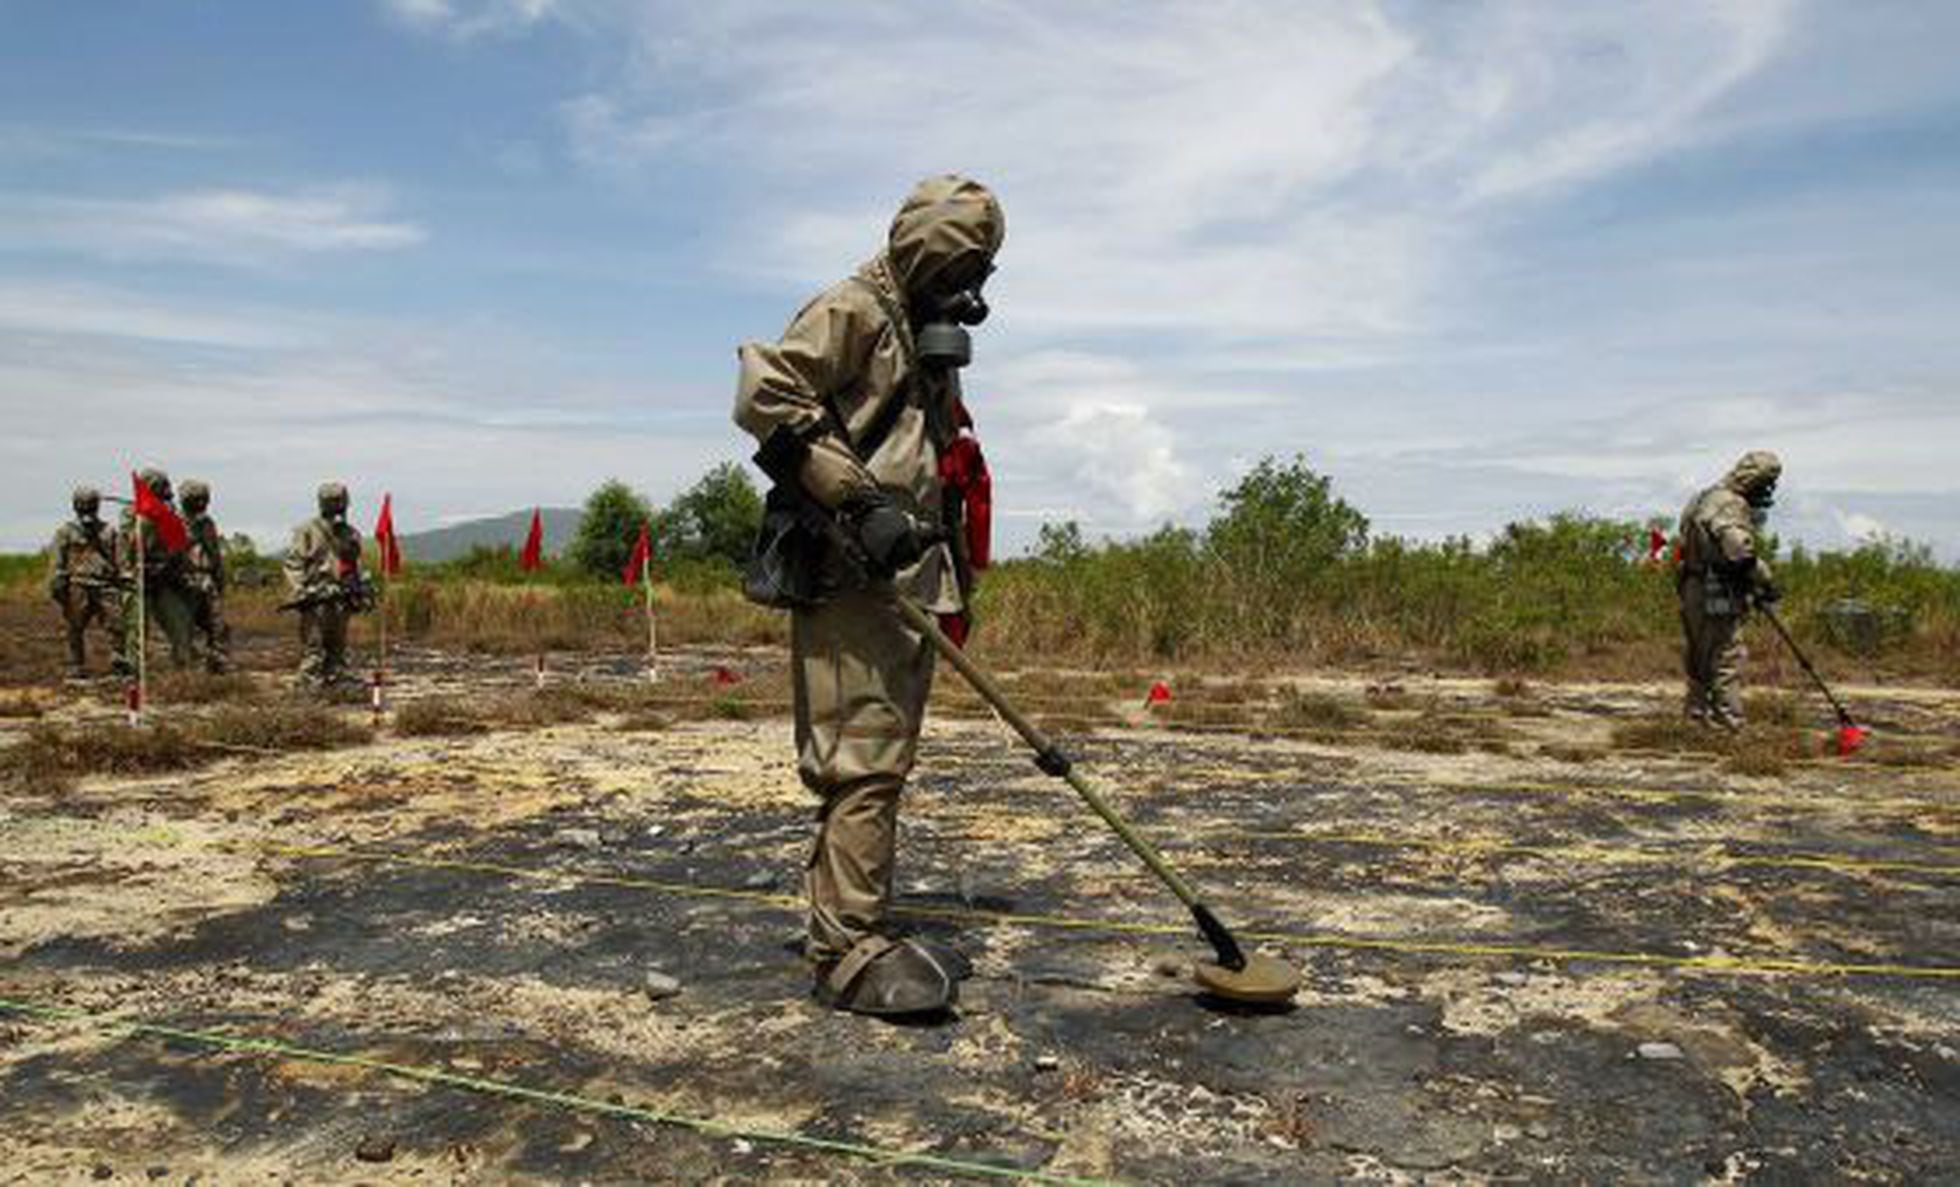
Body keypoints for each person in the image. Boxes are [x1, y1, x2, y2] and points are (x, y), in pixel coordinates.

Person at [734, 175, 1004, 1017]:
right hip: (851, 571)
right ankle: (845, 951)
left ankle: (859, 921)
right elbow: (764, 391)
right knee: (863, 760)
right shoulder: (853, 309)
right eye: (963, 270)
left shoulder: (917, 328)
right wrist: (856, 500)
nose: (972, 292)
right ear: (929, 254)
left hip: (908, 578)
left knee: (885, 758)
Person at [1677, 450, 1783, 730]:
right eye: (1765, 483)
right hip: (1717, 588)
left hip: (1692, 585)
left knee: (1699, 657)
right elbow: (1738, 549)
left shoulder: (1702, 498)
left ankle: (1696, 719)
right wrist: (1764, 581)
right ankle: (1729, 724)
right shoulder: (1729, 503)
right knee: (1726, 655)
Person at [283, 482, 369, 688]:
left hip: (341, 597)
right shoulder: (307, 530)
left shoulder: (351, 534)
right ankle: (308, 683)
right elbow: (293, 564)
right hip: (316, 598)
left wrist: (361, 589)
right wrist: (301, 590)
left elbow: (355, 564)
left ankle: (336, 677)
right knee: (314, 646)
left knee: (337, 645)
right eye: (333, 502)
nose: (337, 507)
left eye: (339, 502)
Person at [47, 486, 129, 680]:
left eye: (90, 505)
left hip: (106, 585)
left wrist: (125, 575)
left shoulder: (109, 531)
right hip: (78, 585)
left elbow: (120, 558)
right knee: (75, 627)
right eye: (83, 505)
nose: (87, 508)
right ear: (76, 506)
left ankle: (119, 663)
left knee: (116, 624)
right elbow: (57, 560)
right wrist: (57, 583)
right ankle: (76, 665)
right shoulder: (66, 531)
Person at [121, 468, 197, 672]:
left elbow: (184, 540)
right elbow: (127, 546)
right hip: (139, 577)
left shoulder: (170, 513)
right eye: (163, 486)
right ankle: (134, 670)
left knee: (180, 622)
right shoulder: (132, 514)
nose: (167, 490)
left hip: (165, 577)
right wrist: (146, 520)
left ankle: (183, 666)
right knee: (137, 628)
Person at [179, 480, 232, 674]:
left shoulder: (208, 523)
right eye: (198, 499)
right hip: (185, 579)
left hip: (208, 579)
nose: (203, 503)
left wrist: (219, 579)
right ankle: (196, 665)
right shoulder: (174, 522)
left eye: (205, 499)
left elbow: (215, 553)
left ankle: (219, 662)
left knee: (218, 624)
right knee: (191, 626)